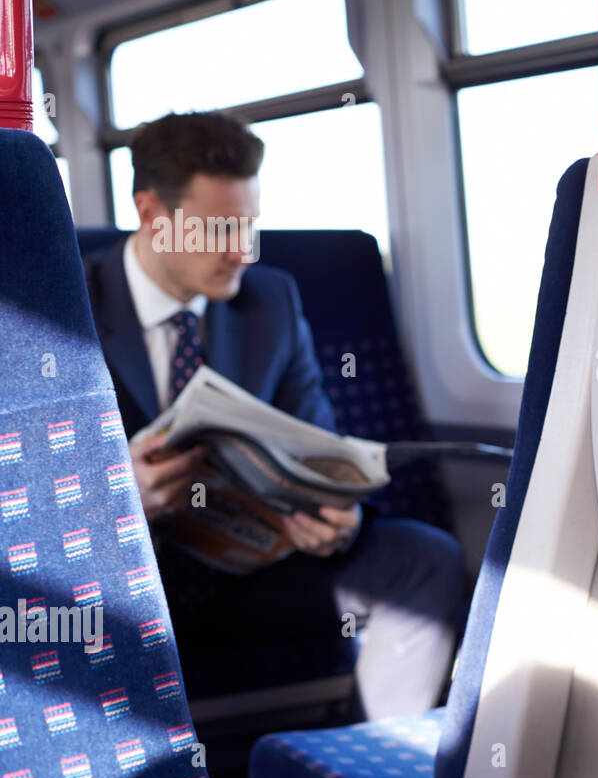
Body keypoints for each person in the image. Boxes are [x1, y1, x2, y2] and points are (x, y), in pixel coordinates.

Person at [82, 111, 467, 720]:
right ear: (153, 215)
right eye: (219, 230)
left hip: (253, 571)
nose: (244, 251)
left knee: (428, 560)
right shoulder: (65, 306)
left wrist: (337, 515)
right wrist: (114, 497)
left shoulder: (271, 302)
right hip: (122, 579)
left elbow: (313, 443)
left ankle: (358, 767)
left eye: (250, 226)